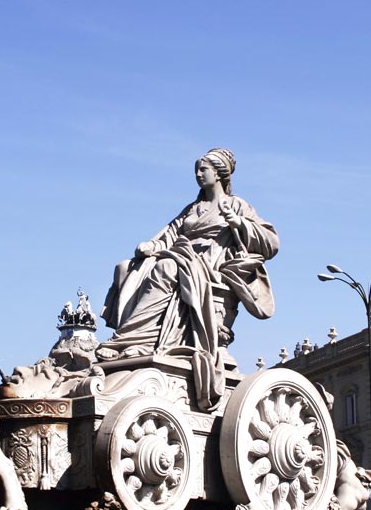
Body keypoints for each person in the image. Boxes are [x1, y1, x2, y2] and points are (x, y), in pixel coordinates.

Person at [98, 148, 279, 410]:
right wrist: (151, 245)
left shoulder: (237, 204)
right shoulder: (193, 209)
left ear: (218, 174)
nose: (197, 174)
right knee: (125, 267)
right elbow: (169, 234)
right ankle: (135, 339)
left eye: (203, 169)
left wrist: (239, 223)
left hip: (209, 268)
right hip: (182, 257)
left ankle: (130, 340)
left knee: (167, 268)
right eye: (197, 169)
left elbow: (271, 242)